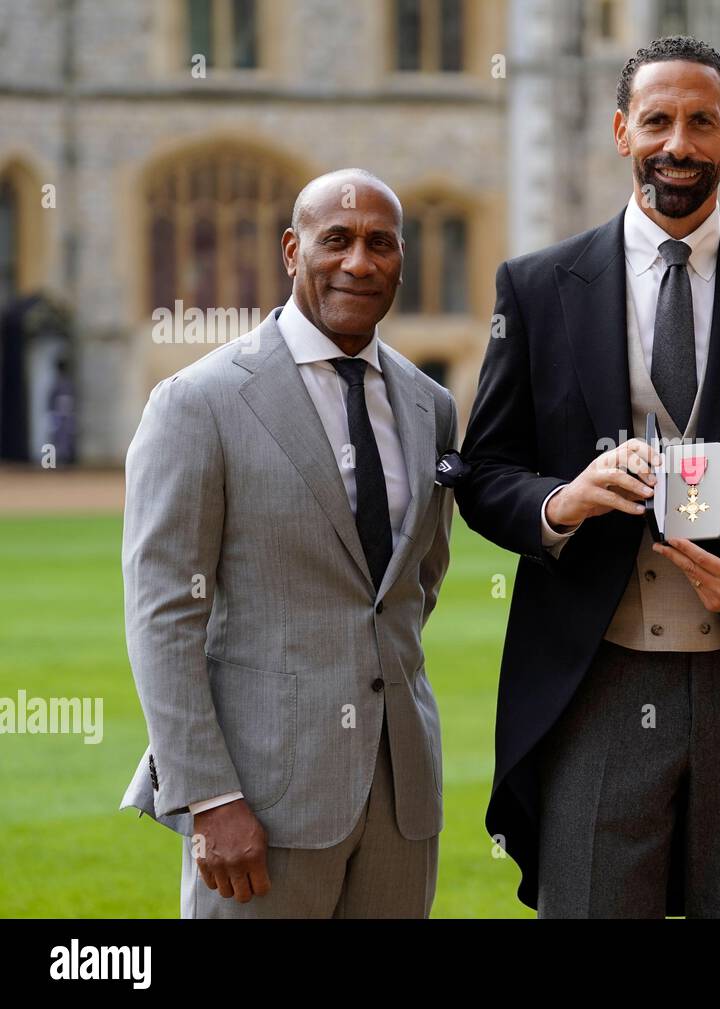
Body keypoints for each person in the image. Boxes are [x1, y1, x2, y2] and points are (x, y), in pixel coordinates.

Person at [455, 37, 720, 918]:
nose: (678, 143)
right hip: (596, 679)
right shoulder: (534, 288)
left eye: (700, 122)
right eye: (658, 120)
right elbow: (483, 470)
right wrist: (561, 502)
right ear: (620, 131)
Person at [120, 168, 458, 918]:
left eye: (381, 243)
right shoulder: (197, 402)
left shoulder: (431, 406)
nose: (359, 262)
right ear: (291, 249)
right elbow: (162, 615)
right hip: (258, 802)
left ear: (402, 258)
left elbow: (413, 588)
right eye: (335, 240)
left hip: (401, 798)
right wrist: (210, 795)